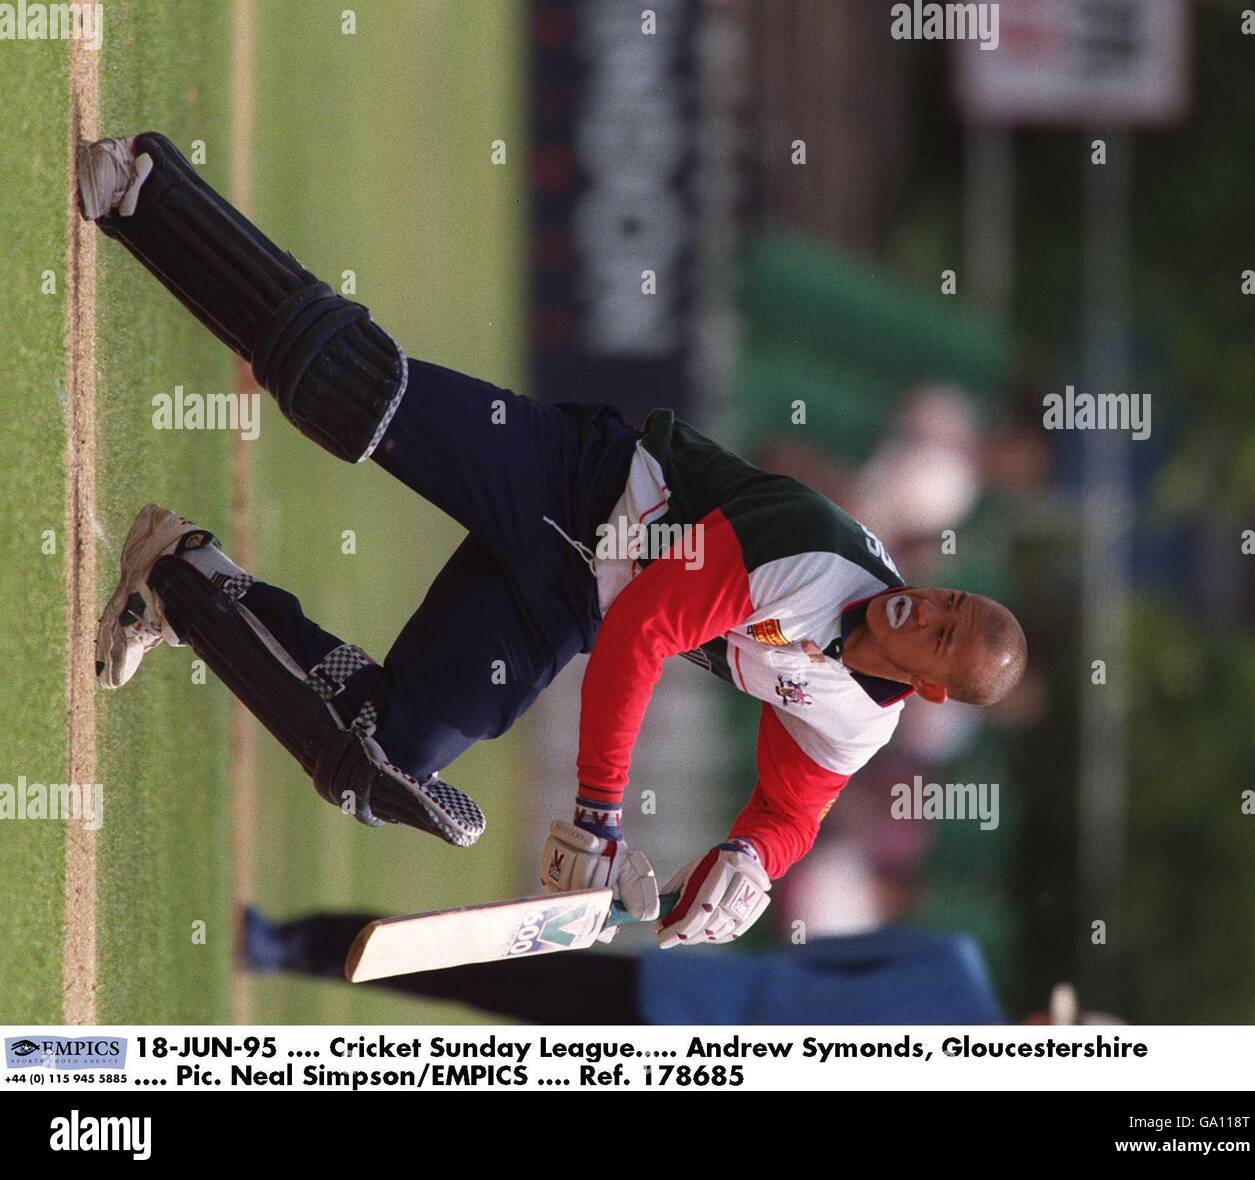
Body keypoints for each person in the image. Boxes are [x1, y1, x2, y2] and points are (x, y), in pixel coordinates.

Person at [78, 133, 1027, 950]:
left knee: (375, 765)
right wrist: (599, 813)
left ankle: (177, 578)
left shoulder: (863, 720)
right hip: (575, 483)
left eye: (941, 634)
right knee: (347, 389)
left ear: (929, 686)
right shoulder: (818, 557)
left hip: (568, 599)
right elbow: (647, 634)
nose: (930, 609)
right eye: (951, 602)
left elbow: (790, 808)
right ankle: (142, 186)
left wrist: (749, 865)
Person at [240, 908, 1008, 1024]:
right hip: (677, 998)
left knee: (482, 973)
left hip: (688, 999)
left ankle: (292, 945)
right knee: (482, 963)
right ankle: (297, 943)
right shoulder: (953, 965)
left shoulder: (955, 963)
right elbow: (810, 955)